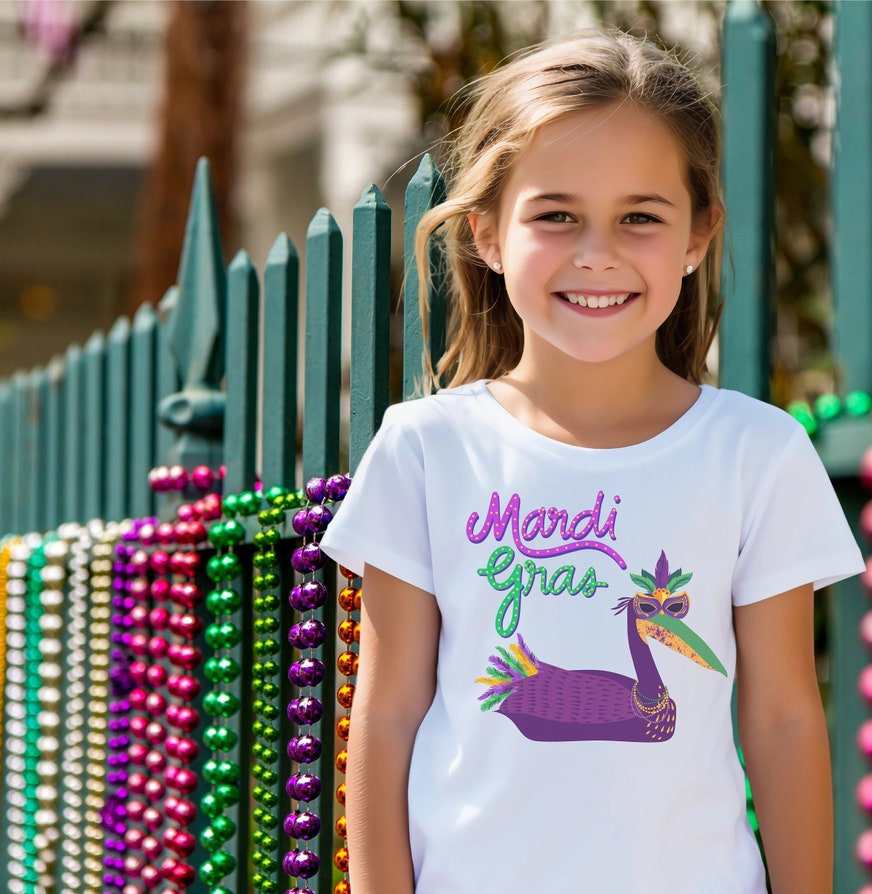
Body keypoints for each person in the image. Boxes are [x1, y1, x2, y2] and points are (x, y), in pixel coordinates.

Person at [318, 29, 863, 894]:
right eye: (556, 214)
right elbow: (386, 720)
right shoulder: (425, 451)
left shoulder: (757, 455)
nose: (597, 252)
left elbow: (786, 720)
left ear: (698, 236)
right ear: (488, 234)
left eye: (640, 217)